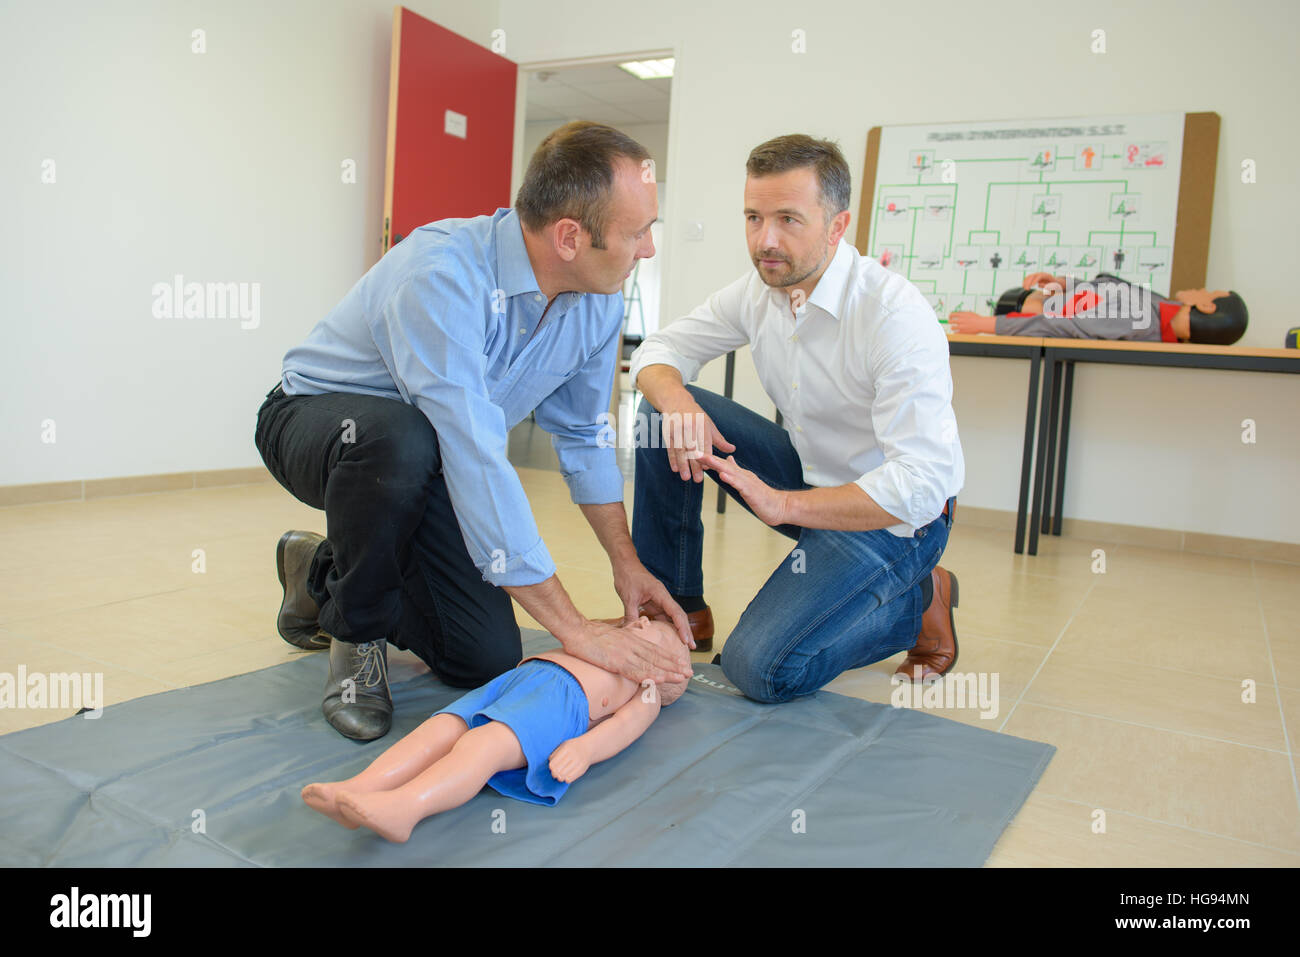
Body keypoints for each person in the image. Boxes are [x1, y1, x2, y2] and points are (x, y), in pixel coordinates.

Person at [254, 122, 693, 743]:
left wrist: (627, 565)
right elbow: (474, 452)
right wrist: (574, 629)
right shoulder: (441, 275)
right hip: (318, 422)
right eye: (638, 232)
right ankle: (355, 635)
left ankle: (319, 570)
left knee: (480, 655)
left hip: (428, 455)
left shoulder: (598, 299)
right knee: (400, 438)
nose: (647, 250)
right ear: (569, 236)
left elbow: (584, 436)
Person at [628, 134, 966, 702]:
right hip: (808, 477)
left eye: (788, 219)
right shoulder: (761, 291)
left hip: (894, 518)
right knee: (660, 412)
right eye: (754, 217)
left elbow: (921, 484)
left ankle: (919, 598)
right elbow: (659, 350)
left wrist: (782, 504)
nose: (766, 240)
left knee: (760, 669)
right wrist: (679, 401)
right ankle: (678, 608)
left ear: (837, 226)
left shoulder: (894, 317)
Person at [301, 616, 688, 843]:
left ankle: (407, 807)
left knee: (482, 744)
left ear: (666, 670)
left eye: (653, 631)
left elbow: (626, 726)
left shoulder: (646, 688)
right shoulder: (603, 641)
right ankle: (361, 787)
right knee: (442, 727)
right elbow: (579, 625)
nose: (638, 621)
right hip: (513, 682)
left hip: (560, 703)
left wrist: (585, 749)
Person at [949, 271, 1248, 343]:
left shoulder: (1139, 323)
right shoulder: (1162, 308)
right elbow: (1107, 288)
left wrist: (986, 325)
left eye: (1209, 291)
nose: (1200, 288)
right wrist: (1063, 283)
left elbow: (1058, 324)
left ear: (1207, 306)